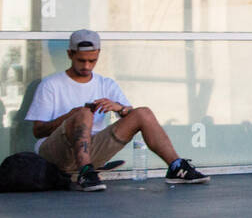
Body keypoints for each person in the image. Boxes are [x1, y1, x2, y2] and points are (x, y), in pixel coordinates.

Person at [24, 30, 209, 191]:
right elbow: (37, 131)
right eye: (81, 60)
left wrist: (119, 108)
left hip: (93, 150)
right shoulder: (51, 85)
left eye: (92, 60)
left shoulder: (106, 84)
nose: (87, 66)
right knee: (84, 114)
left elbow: (131, 114)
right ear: (70, 54)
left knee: (143, 113)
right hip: (57, 152)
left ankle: (176, 167)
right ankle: (85, 173)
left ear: (98, 55)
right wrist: (70, 117)